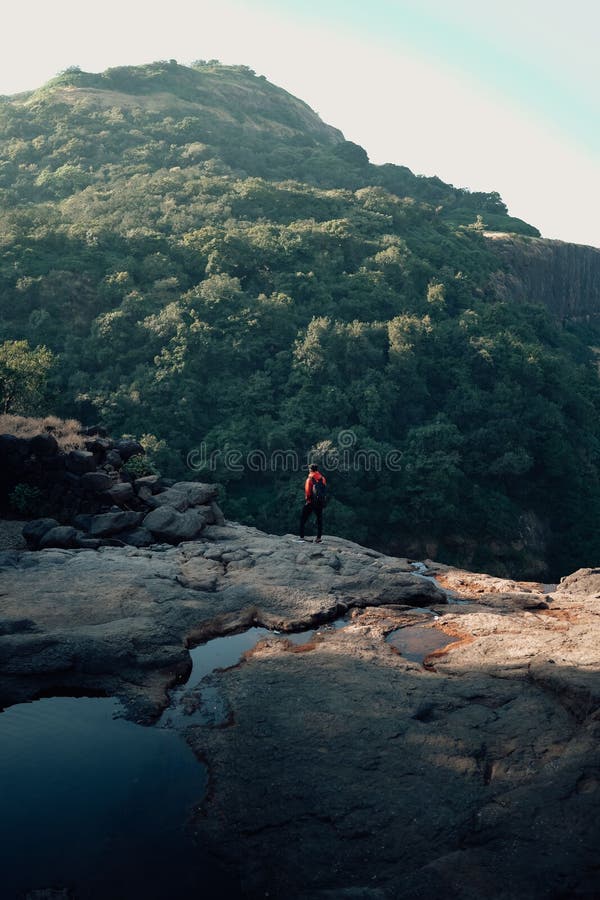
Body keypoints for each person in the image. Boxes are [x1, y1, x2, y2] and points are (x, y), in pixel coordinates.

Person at [299, 463, 327, 542]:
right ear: (317, 469)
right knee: (319, 519)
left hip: (311, 502)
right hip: (320, 502)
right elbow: (324, 490)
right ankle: (318, 538)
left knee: (303, 518)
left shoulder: (310, 478)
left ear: (311, 469)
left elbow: (308, 491)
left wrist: (308, 500)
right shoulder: (322, 478)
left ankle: (301, 537)